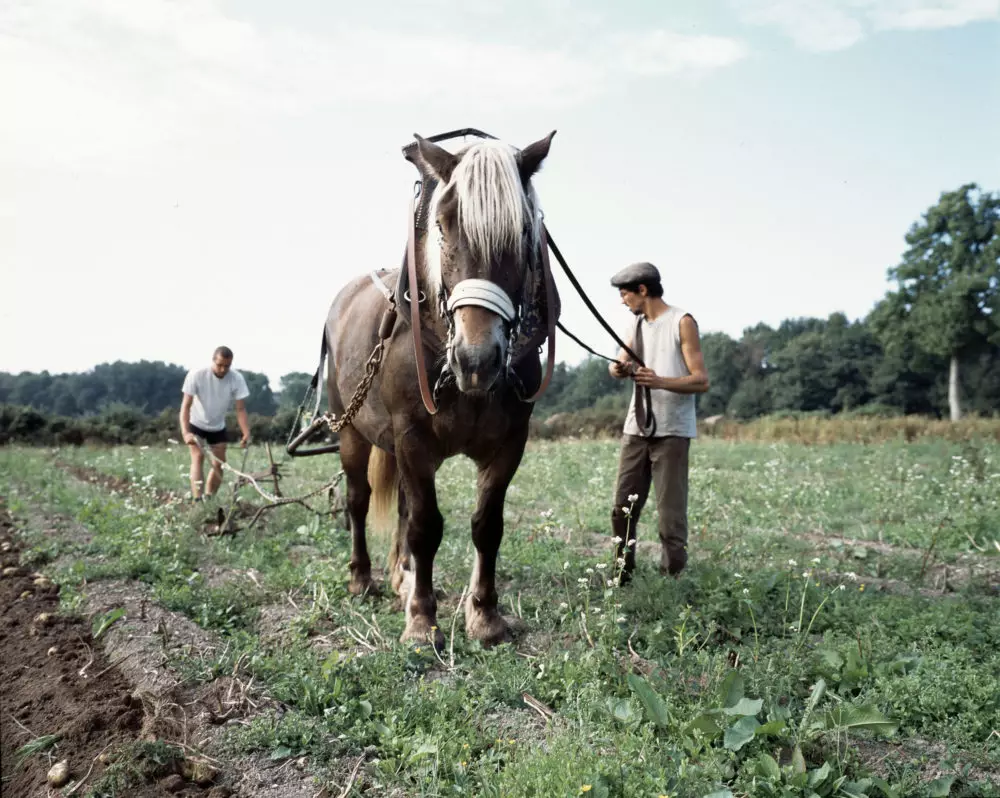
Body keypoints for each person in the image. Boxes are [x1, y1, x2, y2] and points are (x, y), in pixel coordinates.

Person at [607, 262, 709, 582]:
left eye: (625, 294)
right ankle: (623, 573)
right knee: (622, 508)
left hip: (673, 432)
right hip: (636, 428)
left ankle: (671, 582)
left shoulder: (682, 321)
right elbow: (618, 365)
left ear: (642, 290)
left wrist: (661, 381)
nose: (622, 301)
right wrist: (620, 369)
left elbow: (701, 380)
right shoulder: (634, 324)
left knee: (670, 517)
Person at [179, 346, 251, 501]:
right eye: (220, 365)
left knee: (220, 463)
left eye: (227, 366)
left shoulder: (236, 378)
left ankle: (209, 497)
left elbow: (240, 409)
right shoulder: (196, 374)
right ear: (213, 360)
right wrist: (185, 432)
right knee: (198, 457)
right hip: (196, 423)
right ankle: (197, 499)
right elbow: (185, 407)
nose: (223, 369)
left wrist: (246, 433)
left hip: (217, 425)